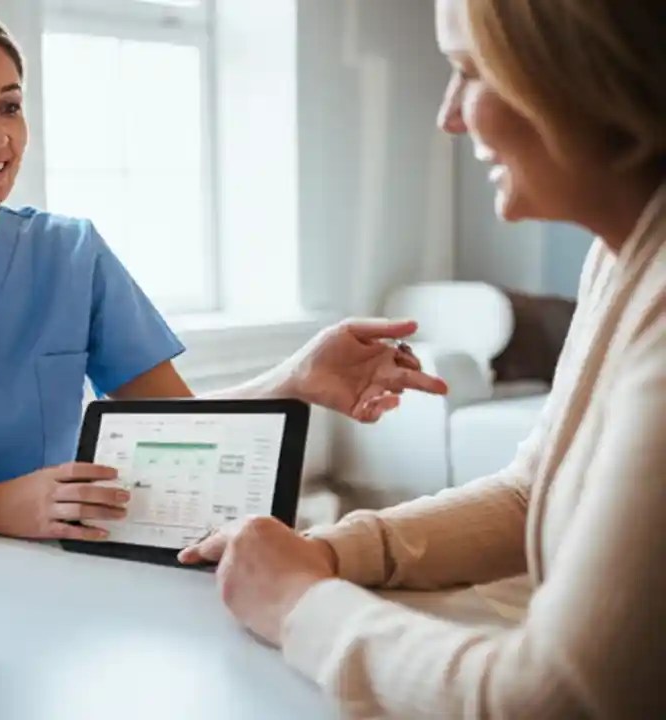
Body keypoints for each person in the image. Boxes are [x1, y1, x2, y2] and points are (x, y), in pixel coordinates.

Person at [0, 1, 448, 537]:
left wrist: (293, 381)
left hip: (46, 554)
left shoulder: (71, 254)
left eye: (10, 106)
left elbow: (175, 427)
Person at [179, 0, 666, 716]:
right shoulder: (619, 256)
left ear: (586, 74)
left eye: (469, 72)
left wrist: (297, 603)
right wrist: (332, 551)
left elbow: (558, 699)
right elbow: (535, 490)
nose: (448, 117)